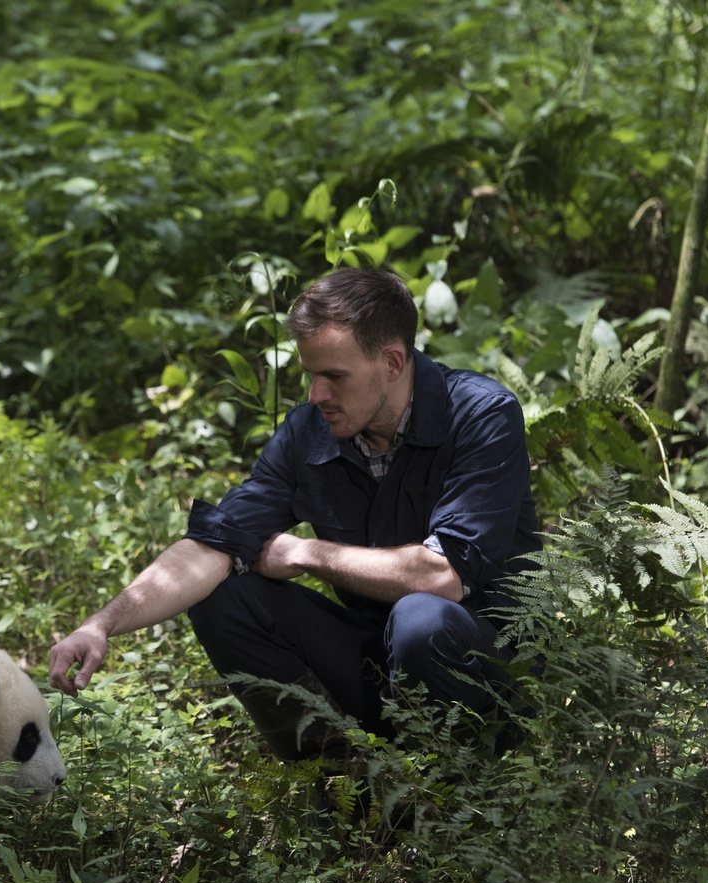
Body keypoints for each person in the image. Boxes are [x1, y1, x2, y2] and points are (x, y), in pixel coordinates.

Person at [47, 267, 540, 760]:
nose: (315, 395)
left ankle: (458, 789)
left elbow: (443, 577)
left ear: (391, 361)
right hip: (380, 660)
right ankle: (347, 783)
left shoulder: (480, 415)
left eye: (334, 376)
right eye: (310, 374)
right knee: (225, 595)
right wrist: (101, 625)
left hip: (487, 669)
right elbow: (214, 545)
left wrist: (306, 553)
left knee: (421, 617)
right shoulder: (309, 432)